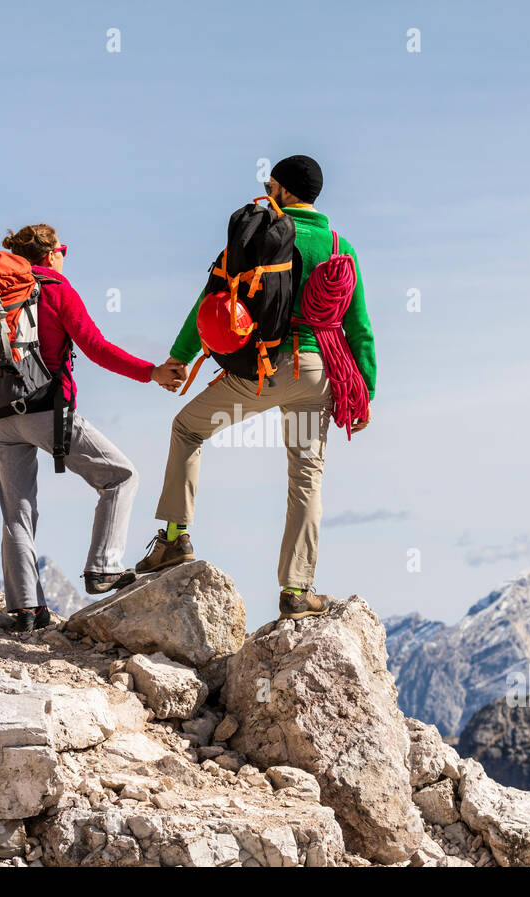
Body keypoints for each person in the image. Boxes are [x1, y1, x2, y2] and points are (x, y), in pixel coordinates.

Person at [136, 156, 376, 620]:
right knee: (306, 478)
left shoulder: (257, 234)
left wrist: (178, 359)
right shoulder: (339, 245)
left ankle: (173, 540)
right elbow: (359, 326)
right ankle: (297, 590)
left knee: (188, 429)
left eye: (270, 184)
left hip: (261, 371)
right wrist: (364, 390)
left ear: (283, 190)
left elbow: (213, 301)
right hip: (316, 374)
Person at [0, 223, 185, 633]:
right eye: (62, 249)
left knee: (17, 515)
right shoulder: (56, 289)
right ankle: (104, 568)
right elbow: (95, 347)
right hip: (47, 411)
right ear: (50, 255)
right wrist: (151, 373)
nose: (65, 254)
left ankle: (27, 610)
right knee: (121, 476)